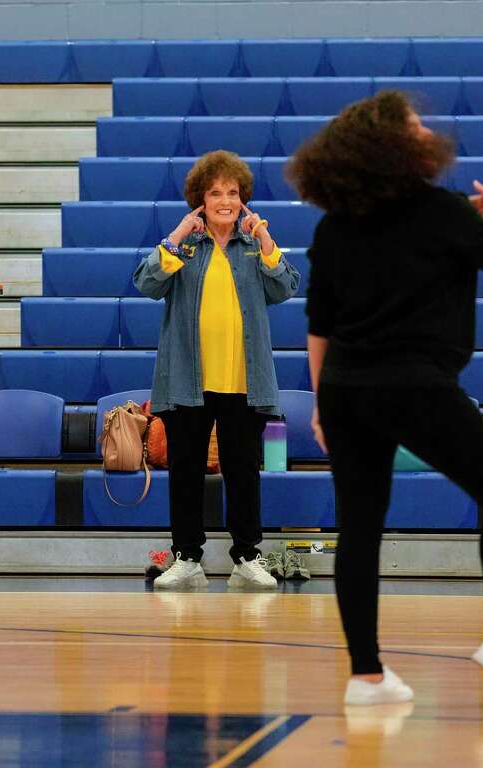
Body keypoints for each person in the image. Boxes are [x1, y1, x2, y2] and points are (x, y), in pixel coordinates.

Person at [286, 91, 483, 708]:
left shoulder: (335, 224)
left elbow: (319, 324)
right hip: (412, 384)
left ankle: (366, 676)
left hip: (347, 389)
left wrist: (322, 404)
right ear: (392, 144)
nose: (425, 129)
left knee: (359, 527)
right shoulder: (441, 212)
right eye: (413, 125)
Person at [134, 150, 300, 591]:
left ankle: (247, 556)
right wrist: (175, 235)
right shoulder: (184, 246)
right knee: (185, 472)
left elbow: (286, 286)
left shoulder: (253, 246)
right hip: (188, 381)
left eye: (232, 192)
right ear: (201, 200)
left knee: (243, 471)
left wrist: (266, 240)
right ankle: (187, 557)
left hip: (244, 382)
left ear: (242, 198)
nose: (225, 200)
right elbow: (146, 284)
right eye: (215, 193)